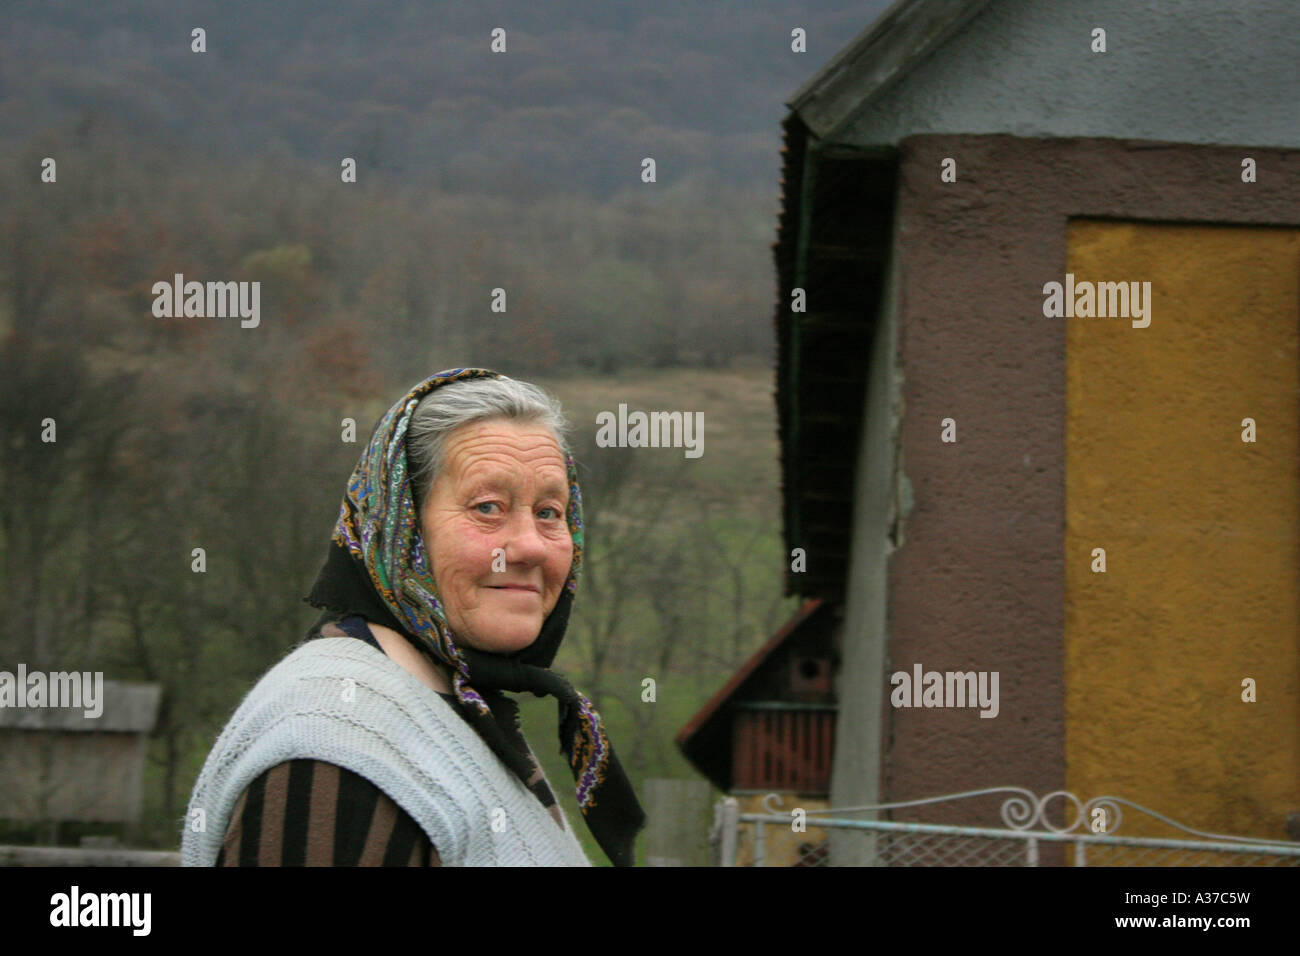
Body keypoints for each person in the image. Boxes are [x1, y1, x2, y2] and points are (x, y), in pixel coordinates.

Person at [180, 368, 645, 866]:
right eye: (488, 507)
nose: (531, 545)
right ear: (397, 528)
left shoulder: (454, 704)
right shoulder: (339, 757)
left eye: (550, 512)